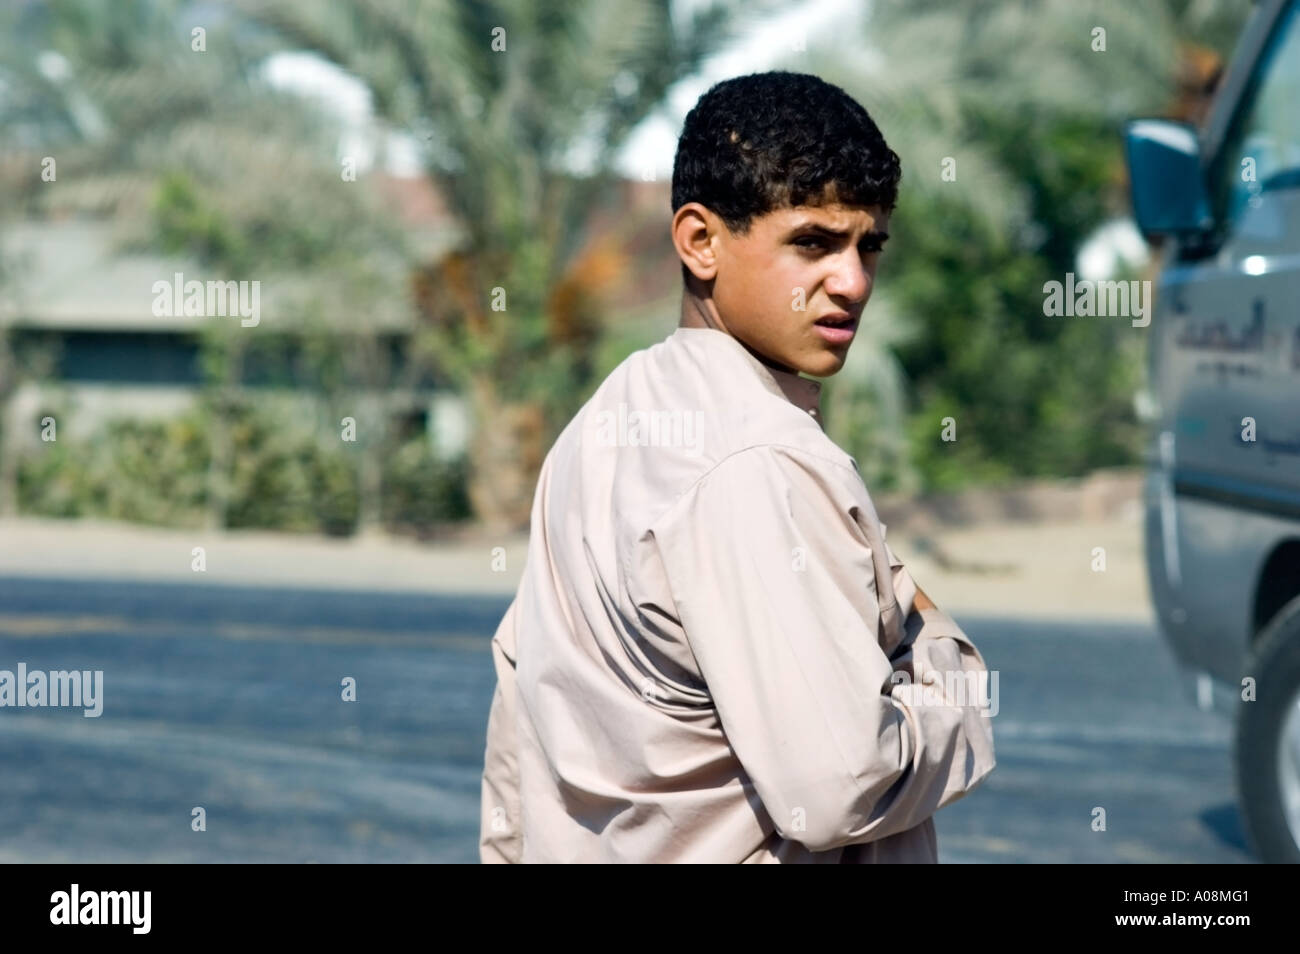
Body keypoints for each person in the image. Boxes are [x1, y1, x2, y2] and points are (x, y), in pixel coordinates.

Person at [479, 70, 995, 863]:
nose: (852, 281)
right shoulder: (759, 461)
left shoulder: (605, 424)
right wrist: (946, 673)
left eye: (870, 245)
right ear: (700, 240)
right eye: (813, 243)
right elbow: (837, 789)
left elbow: (522, 734)